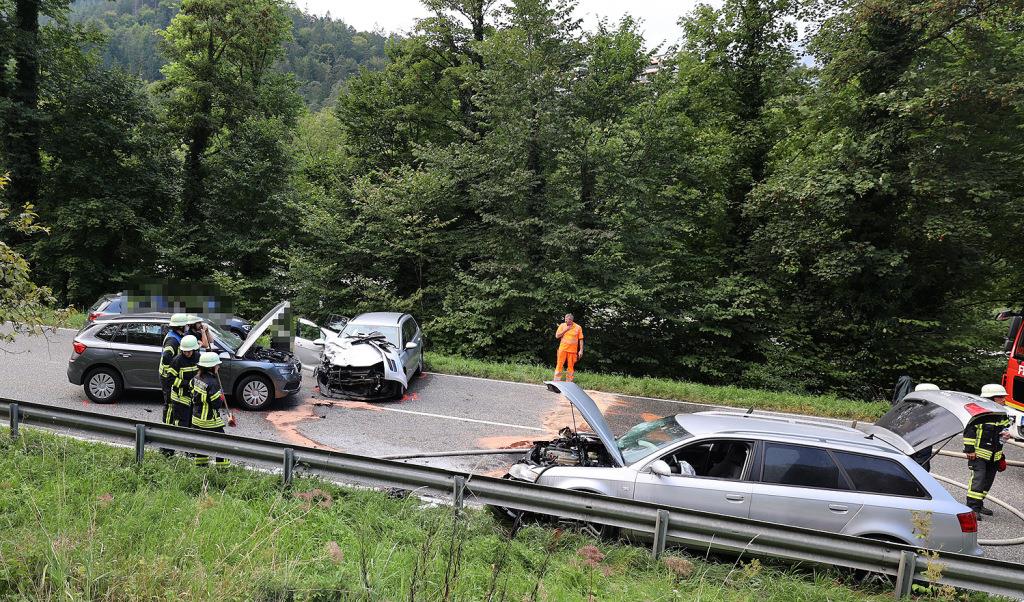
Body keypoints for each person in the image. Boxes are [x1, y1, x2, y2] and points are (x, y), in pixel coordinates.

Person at [963, 384, 1013, 517]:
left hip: (995, 455)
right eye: (1001, 397)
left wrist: (1006, 434)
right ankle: (972, 508)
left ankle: (979, 504)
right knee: (978, 481)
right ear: (991, 398)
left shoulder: (1002, 414)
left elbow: (1005, 429)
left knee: (987, 482)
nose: (1004, 400)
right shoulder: (979, 414)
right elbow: (969, 433)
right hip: (979, 454)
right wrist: (970, 450)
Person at [190, 351, 235, 467]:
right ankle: (223, 469)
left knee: (201, 444)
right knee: (222, 444)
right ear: (211, 367)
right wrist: (221, 396)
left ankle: (201, 467)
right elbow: (216, 404)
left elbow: (190, 390)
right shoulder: (213, 383)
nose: (218, 367)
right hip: (209, 421)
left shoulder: (196, 378)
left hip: (196, 419)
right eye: (217, 365)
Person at [159, 313, 191, 454]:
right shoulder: (173, 340)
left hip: (169, 375)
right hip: (168, 377)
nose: (187, 327)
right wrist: (174, 365)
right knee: (170, 404)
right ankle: (167, 429)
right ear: (180, 326)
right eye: (185, 325)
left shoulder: (177, 336)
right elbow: (166, 356)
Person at [168, 335, 201, 429]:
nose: (186, 353)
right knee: (181, 423)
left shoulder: (198, 357)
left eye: (189, 351)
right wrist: (187, 384)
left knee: (191, 422)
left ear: (194, 349)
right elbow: (170, 379)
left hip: (193, 397)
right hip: (180, 398)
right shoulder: (177, 361)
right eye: (184, 351)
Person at [553, 313, 584, 382]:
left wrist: (581, 350)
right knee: (559, 364)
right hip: (562, 349)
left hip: (573, 351)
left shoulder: (578, 327)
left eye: (568, 321)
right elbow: (557, 336)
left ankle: (569, 381)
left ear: (572, 320)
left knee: (571, 367)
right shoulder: (562, 325)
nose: (566, 322)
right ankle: (556, 381)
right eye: (565, 320)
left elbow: (581, 339)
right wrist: (565, 330)